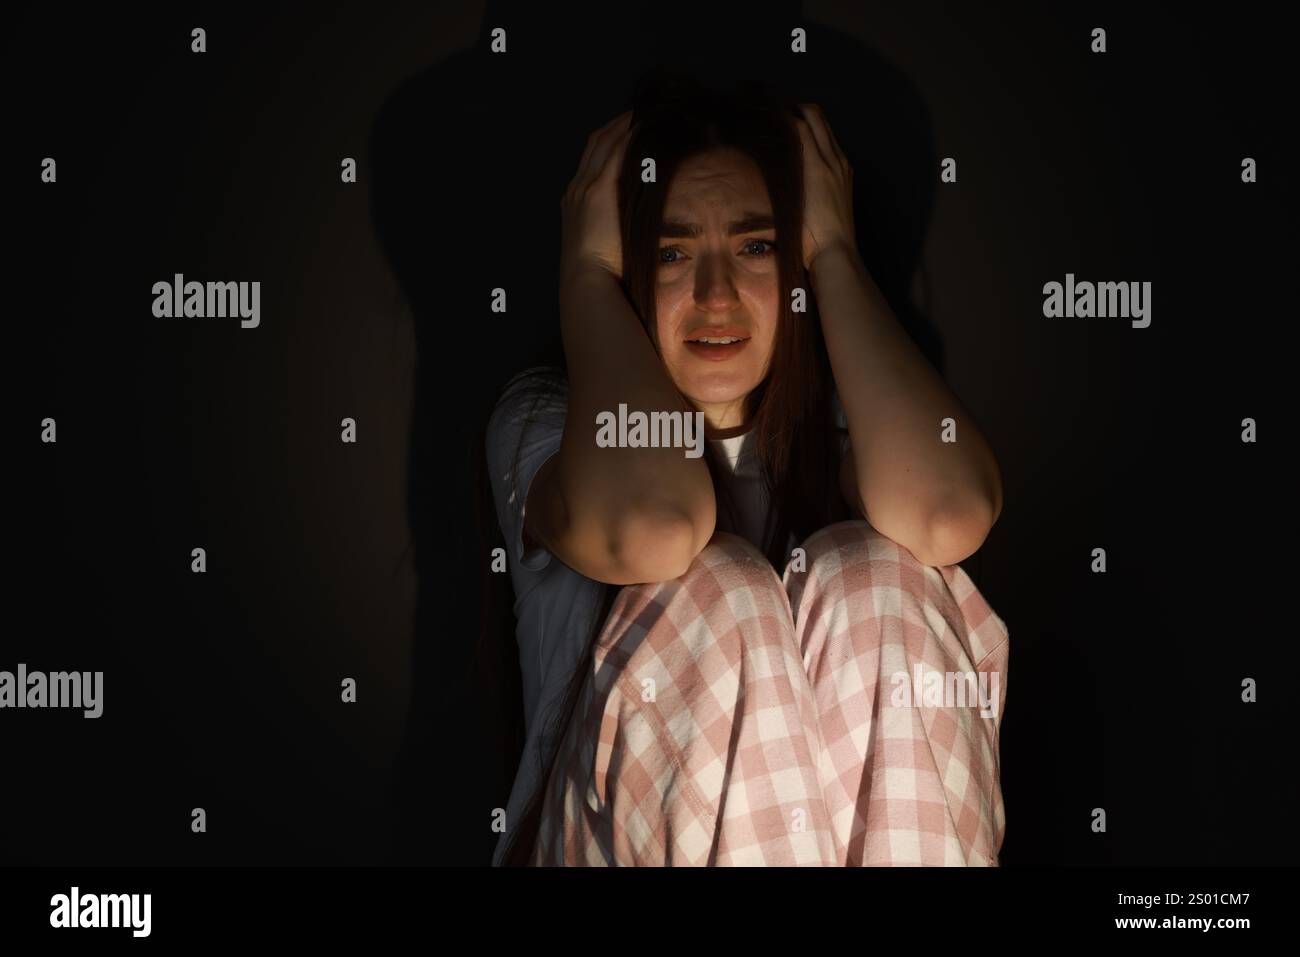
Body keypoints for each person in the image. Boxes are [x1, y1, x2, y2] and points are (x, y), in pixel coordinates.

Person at [483, 75, 1009, 865]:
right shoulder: (547, 423)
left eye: (757, 246)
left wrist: (834, 251)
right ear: (624, 265)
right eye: (671, 251)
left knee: (878, 579)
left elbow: (949, 513)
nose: (716, 293)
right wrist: (585, 278)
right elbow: (652, 526)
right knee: (717, 591)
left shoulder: (847, 422)